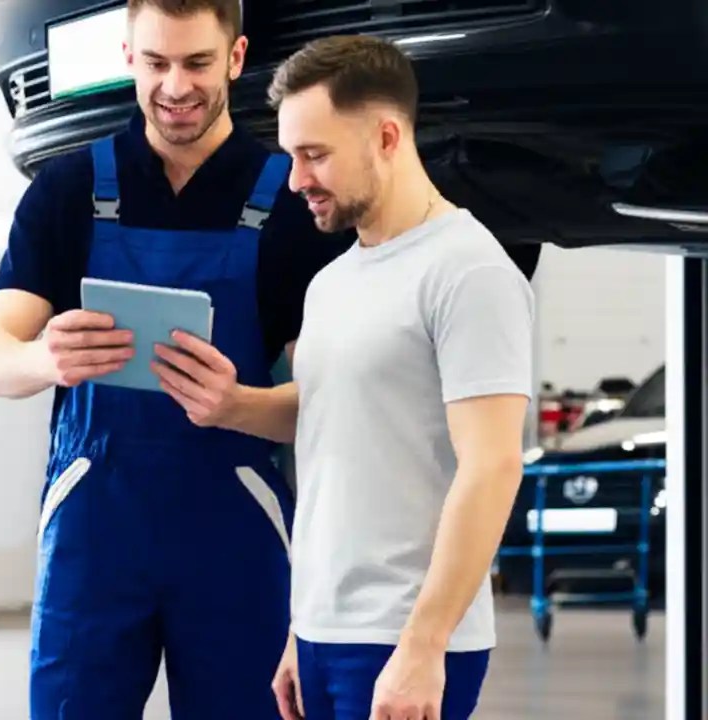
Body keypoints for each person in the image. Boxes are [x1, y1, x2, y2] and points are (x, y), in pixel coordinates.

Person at [0, 1, 350, 717]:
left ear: (236, 59)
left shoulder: (294, 205)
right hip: (94, 531)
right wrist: (49, 358)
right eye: (156, 63)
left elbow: (333, 403)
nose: (176, 86)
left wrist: (239, 405)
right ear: (128, 57)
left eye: (198, 63)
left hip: (235, 530)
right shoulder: (68, 191)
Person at [152, 35, 534, 720]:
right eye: (292, 154)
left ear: (387, 136)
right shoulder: (333, 282)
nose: (296, 180)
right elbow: (334, 410)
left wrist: (424, 644)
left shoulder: (468, 271)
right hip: (326, 630)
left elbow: (493, 464)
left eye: (315, 154)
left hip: (403, 637)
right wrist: (233, 405)